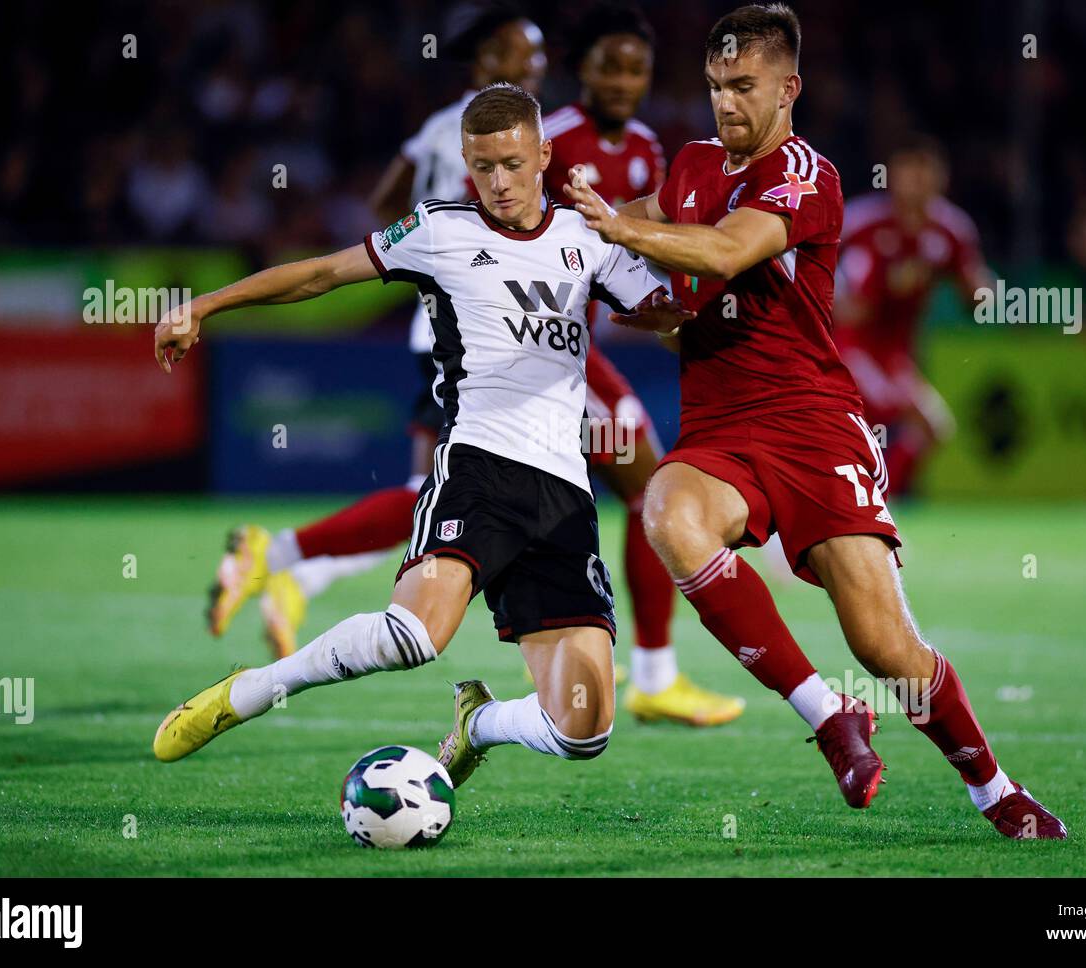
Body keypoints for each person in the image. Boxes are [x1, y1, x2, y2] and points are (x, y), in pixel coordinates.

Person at [565, 3, 1066, 839]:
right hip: (720, 427)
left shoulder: (808, 175)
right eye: (717, 85)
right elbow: (648, 244)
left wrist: (620, 226)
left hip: (814, 424)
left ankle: (994, 789)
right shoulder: (691, 165)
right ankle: (831, 716)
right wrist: (587, 228)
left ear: (789, 87)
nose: (727, 104)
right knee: (667, 513)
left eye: (745, 87)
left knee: (886, 650)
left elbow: (721, 251)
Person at [151, 84, 692, 786]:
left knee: (583, 730)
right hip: (477, 465)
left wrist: (705, 301)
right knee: (415, 636)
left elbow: (668, 319)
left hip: (563, 495)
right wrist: (207, 304)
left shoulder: (587, 236)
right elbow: (321, 274)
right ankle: (249, 690)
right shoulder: (439, 230)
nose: (498, 181)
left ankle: (482, 724)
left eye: (512, 163)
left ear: (545, 155)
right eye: (482, 165)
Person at [206, 4, 547, 658]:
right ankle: (282, 554)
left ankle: (293, 572)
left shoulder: (440, 128)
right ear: (482, 64)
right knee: (462, 494)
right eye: (516, 55)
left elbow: (388, 198)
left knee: (440, 497)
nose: (532, 67)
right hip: (471, 340)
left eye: (537, 58)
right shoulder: (507, 131)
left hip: (449, 330)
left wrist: (417, 246)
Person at [540, 1, 742, 725]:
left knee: (624, 493)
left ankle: (644, 671)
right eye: (610, 65)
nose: (625, 81)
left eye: (637, 68)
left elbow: (642, 242)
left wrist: (671, 301)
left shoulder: (651, 146)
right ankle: (648, 674)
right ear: (581, 68)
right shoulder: (549, 139)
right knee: (643, 487)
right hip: (538, 348)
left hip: (577, 349)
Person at [833, 136, 992, 496]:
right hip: (852, 347)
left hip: (896, 355)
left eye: (926, 170)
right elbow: (840, 299)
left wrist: (986, 294)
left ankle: (874, 507)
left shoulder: (951, 229)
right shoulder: (862, 224)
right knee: (867, 433)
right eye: (909, 170)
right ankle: (860, 512)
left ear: (941, 177)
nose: (917, 180)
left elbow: (976, 293)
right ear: (891, 175)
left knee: (934, 428)